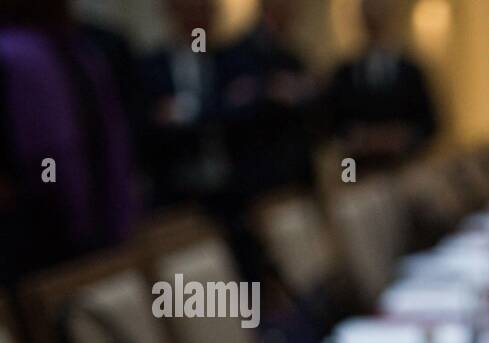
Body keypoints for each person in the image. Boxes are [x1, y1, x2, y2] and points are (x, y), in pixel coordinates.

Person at [0, 0, 138, 284]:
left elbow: (58, 153)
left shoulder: (42, 51)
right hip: (81, 230)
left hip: (59, 234)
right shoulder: (76, 48)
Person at [219, 0, 320, 201]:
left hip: (295, 177)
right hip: (257, 180)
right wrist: (266, 91)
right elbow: (228, 113)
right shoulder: (234, 56)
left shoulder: (293, 58)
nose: (292, 13)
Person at [136, 0, 231, 209]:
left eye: (204, 8)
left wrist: (188, 111)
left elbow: (238, 108)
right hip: (175, 191)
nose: (199, 15)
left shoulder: (232, 60)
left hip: (231, 187)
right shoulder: (151, 67)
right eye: (190, 8)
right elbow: (145, 124)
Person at [328, 0, 439, 172]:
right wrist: (361, 139)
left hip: (403, 169)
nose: (375, 23)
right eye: (370, 18)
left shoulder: (411, 71)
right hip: (358, 171)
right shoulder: (345, 73)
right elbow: (332, 124)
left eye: (379, 16)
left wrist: (403, 137)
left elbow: (431, 123)